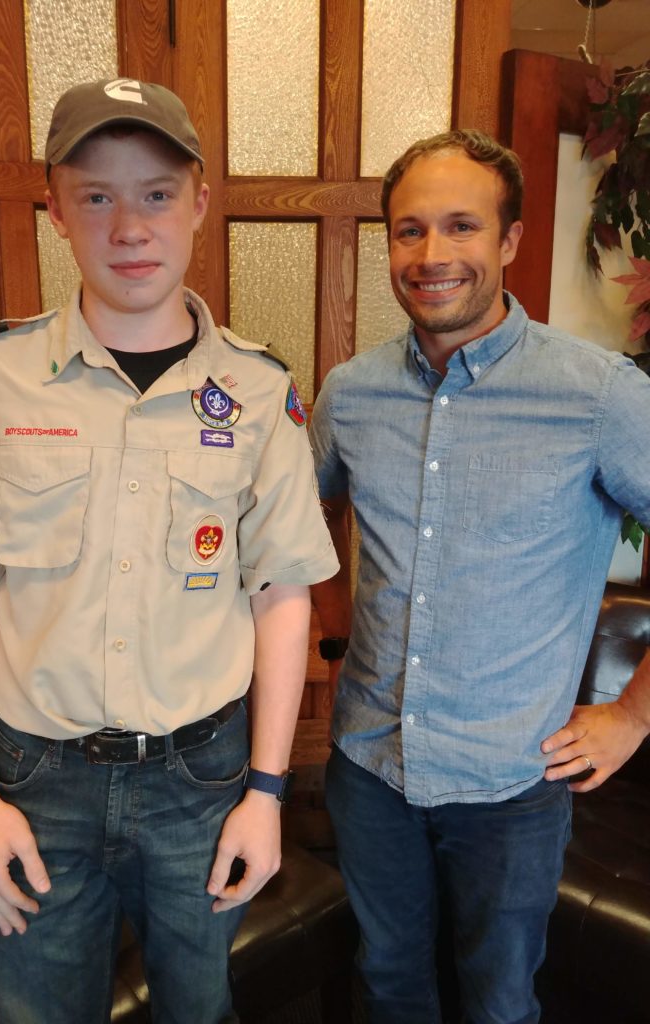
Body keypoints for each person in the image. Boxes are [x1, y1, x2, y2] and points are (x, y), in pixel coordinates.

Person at [0, 78, 339, 1024]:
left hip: (201, 781)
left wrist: (266, 792)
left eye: (156, 194)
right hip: (35, 780)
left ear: (200, 203)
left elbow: (281, 594)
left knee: (198, 1011)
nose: (129, 227)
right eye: (96, 196)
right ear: (55, 210)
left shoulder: (258, 391)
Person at [310, 128, 650, 1024]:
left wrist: (632, 716)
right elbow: (305, 522)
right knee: (389, 987)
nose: (433, 254)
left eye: (462, 226)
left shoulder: (600, 395)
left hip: (512, 785)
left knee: (499, 1005)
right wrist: (334, 633)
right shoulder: (350, 393)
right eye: (410, 230)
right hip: (369, 767)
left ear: (509, 240)